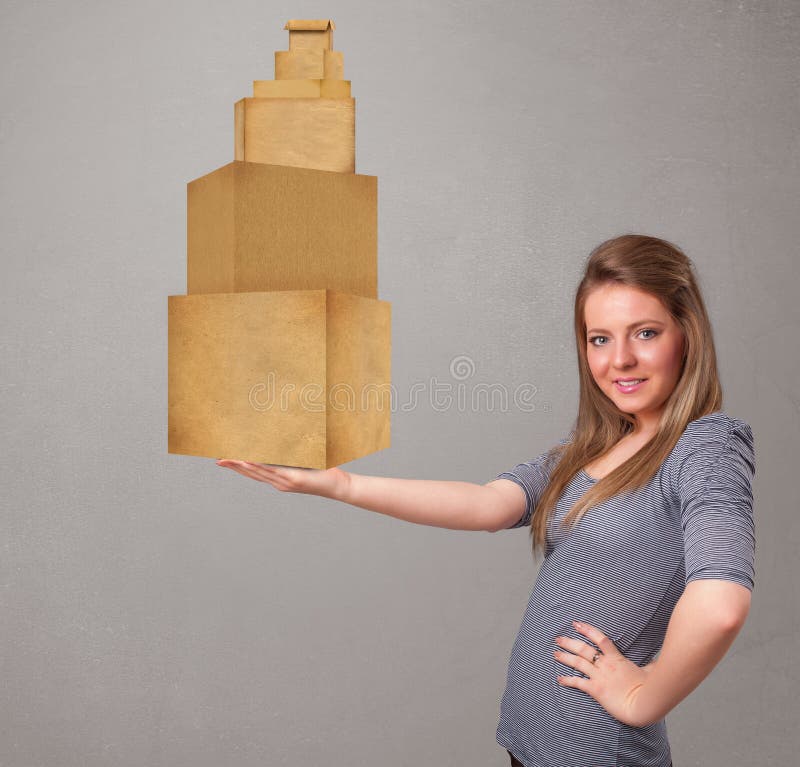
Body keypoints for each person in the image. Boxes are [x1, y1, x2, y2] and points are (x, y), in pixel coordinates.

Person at [217, 234, 755, 767]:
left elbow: (721, 605)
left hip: (599, 751)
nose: (621, 360)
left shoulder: (705, 447)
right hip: (532, 740)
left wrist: (644, 697)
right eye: (599, 339)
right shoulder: (593, 449)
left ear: (687, 333)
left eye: (645, 333)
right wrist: (339, 484)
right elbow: (486, 503)